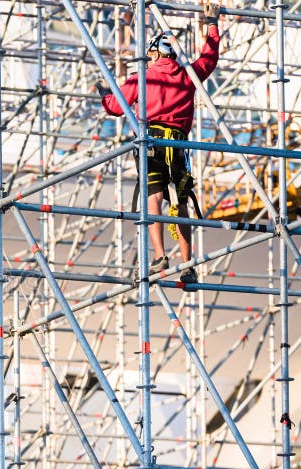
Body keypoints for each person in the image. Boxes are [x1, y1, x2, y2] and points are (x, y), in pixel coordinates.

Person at [97, 2, 221, 285]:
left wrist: (105, 95)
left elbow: (116, 107)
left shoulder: (143, 76)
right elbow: (209, 58)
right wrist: (212, 25)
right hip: (177, 143)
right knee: (180, 200)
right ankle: (188, 263)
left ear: (153, 52)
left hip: (151, 140)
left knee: (152, 197)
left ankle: (160, 255)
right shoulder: (188, 75)